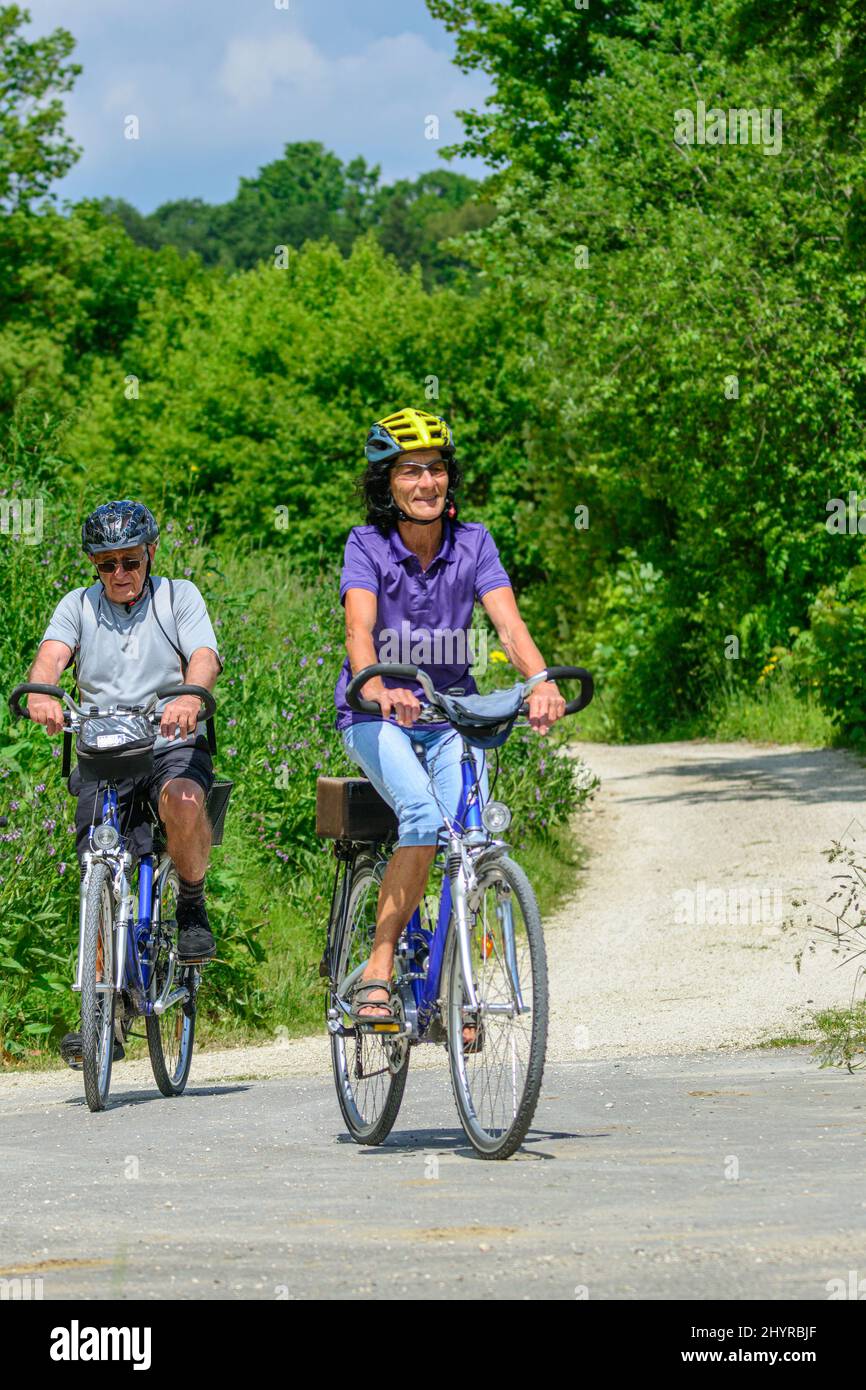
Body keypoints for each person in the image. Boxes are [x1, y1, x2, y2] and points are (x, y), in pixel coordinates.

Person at [334, 408, 566, 1034]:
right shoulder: (367, 545)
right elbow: (359, 630)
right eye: (410, 471)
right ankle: (379, 970)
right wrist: (379, 684)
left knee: (475, 836)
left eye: (436, 469)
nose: (426, 483)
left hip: (450, 714)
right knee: (421, 817)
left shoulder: (475, 542)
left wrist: (540, 683)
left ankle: (457, 984)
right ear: (388, 484)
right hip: (375, 712)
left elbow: (509, 626)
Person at [26, 500, 222, 1064]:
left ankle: (190, 903)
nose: (119, 573)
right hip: (103, 746)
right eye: (106, 563)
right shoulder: (77, 606)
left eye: (129, 560)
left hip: (168, 736)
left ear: (150, 553)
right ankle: (102, 1013)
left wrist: (188, 695)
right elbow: (50, 658)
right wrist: (43, 691)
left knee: (183, 798)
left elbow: (204, 656)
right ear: (94, 566)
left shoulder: (178, 597)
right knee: (98, 866)